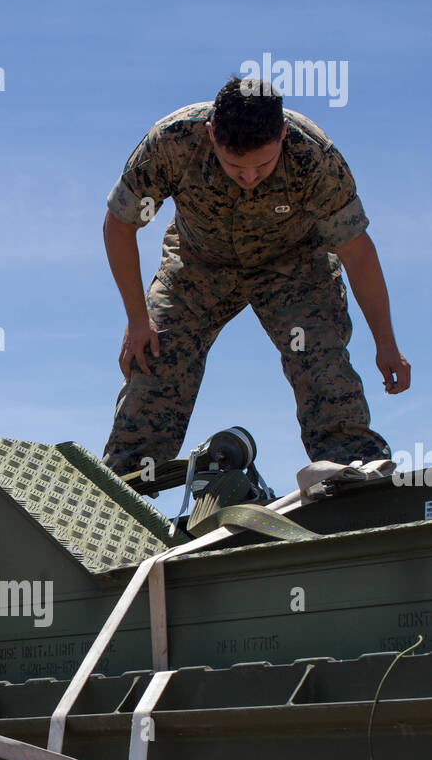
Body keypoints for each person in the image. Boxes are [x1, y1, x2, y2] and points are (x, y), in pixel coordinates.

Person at [102, 76, 411, 483]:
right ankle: (125, 481)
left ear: (282, 133)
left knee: (319, 356)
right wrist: (139, 320)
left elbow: (357, 252)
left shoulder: (313, 155)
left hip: (293, 266)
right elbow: (120, 226)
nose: (249, 177)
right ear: (211, 135)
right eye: (235, 166)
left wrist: (386, 344)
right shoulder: (172, 142)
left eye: (262, 165)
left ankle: (353, 468)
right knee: (157, 357)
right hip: (198, 265)